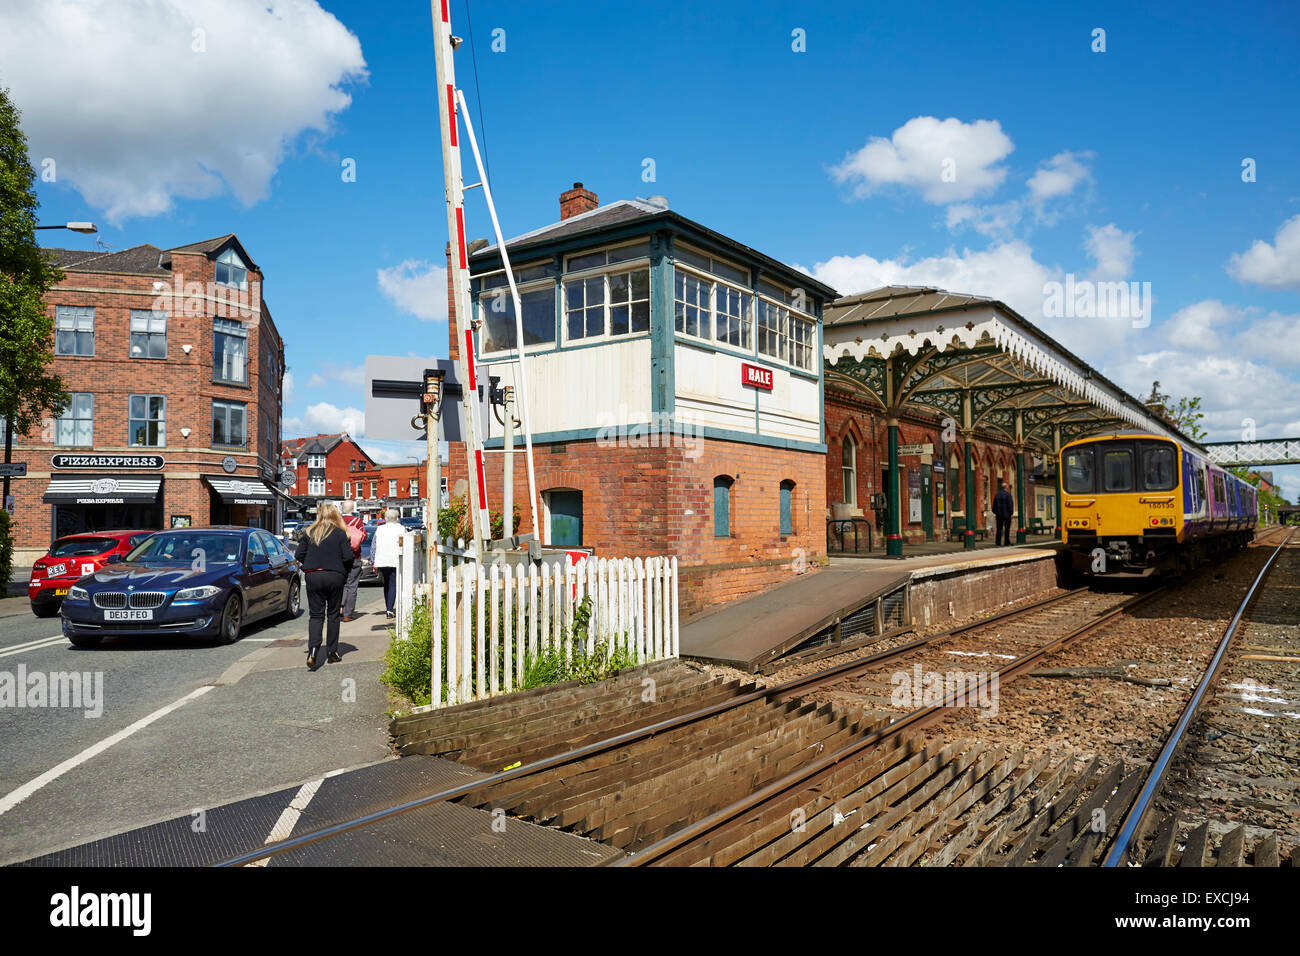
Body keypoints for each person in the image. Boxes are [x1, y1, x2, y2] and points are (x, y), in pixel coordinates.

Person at [294, 501, 354, 670]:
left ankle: (313, 651)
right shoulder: (341, 533)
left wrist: (311, 563)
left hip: (313, 575)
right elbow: (348, 557)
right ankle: (332, 653)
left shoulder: (310, 532)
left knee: (316, 615)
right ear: (336, 516)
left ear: (319, 515)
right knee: (333, 615)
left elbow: (299, 554)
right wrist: (344, 572)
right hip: (335, 576)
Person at [371, 508, 403, 619]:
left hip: (382, 560)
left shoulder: (379, 529)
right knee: (393, 584)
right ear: (397, 518)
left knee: (387, 584)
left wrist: (373, 561)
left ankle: (388, 607)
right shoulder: (401, 529)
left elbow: (373, 546)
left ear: (385, 518)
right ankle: (389, 609)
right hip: (395, 560)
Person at [339, 500, 367, 622]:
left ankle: (339, 607)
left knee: (340, 584)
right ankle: (347, 613)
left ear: (342, 509)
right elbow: (364, 536)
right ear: (352, 509)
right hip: (354, 557)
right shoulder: (357, 522)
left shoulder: (336, 521)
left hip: (338, 558)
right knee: (352, 585)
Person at [993, 480, 1015, 547]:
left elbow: (994, 506)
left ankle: (998, 542)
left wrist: (996, 513)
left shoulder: (997, 495)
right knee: (1007, 529)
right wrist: (1011, 513)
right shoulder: (1008, 495)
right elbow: (1010, 505)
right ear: (1006, 488)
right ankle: (1006, 542)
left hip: (999, 515)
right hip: (1007, 515)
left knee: (999, 528)